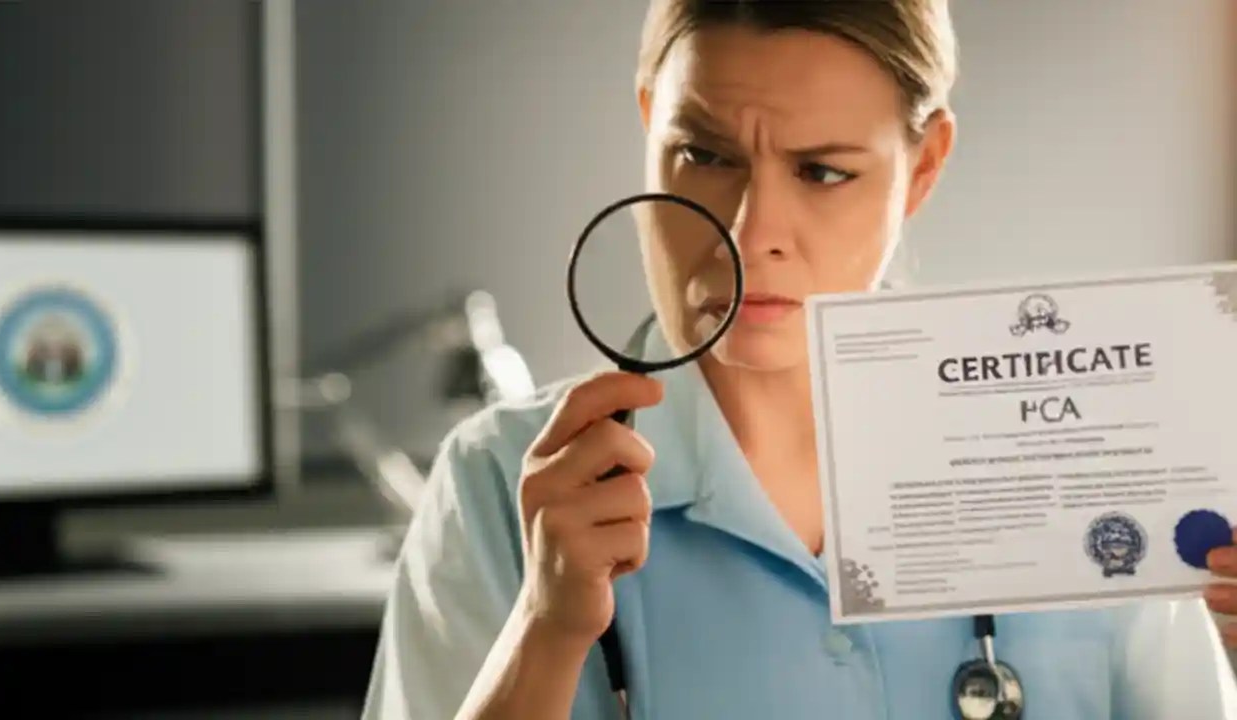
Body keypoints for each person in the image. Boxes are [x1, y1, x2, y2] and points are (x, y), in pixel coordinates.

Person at [363, 1, 1237, 718]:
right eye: (703, 156)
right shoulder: (492, 482)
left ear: (923, 167)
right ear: (646, 125)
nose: (748, 237)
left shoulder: (1097, 461)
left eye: (821, 172)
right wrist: (546, 634)